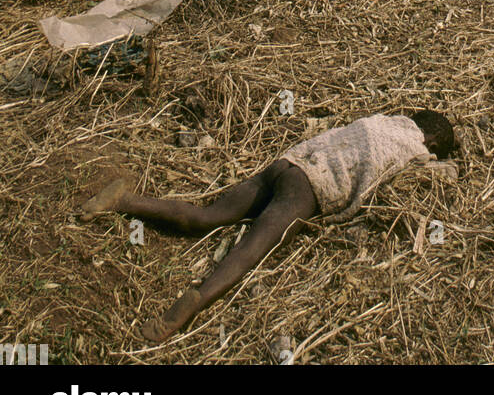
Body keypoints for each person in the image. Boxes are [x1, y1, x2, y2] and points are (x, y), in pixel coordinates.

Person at [79, 110, 455, 343]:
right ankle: (191, 304)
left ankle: (123, 200)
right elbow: (437, 169)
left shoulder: (381, 120)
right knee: (251, 250)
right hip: (310, 186)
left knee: (206, 215)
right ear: (431, 138)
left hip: (287, 164)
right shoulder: (415, 148)